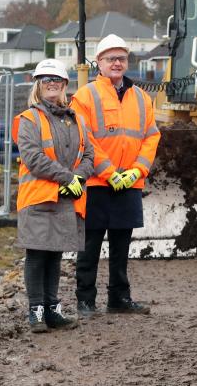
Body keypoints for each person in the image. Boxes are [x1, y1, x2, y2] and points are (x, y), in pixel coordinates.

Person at [71, 34, 161, 317]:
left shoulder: (142, 98)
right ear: (98, 62)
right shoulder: (85, 96)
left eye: (121, 58)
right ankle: (85, 300)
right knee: (89, 246)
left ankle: (119, 298)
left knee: (122, 246)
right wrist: (110, 173)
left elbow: (151, 136)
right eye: (111, 58)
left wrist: (137, 170)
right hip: (98, 183)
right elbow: (84, 139)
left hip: (130, 183)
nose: (117, 63)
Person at [13, 58, 94, 333]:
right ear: (37, 85)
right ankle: (36, 313)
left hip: (64, 199)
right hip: (38, 199)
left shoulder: (77, 120)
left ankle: (53, 311)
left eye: (56, 80)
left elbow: (89, 154)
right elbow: (33, 158)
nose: (51, 84)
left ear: (64, 86)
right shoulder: (29, 119)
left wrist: (79, 178)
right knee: (37, 255)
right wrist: (69, 178)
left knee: (55, 255)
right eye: (46, 80)